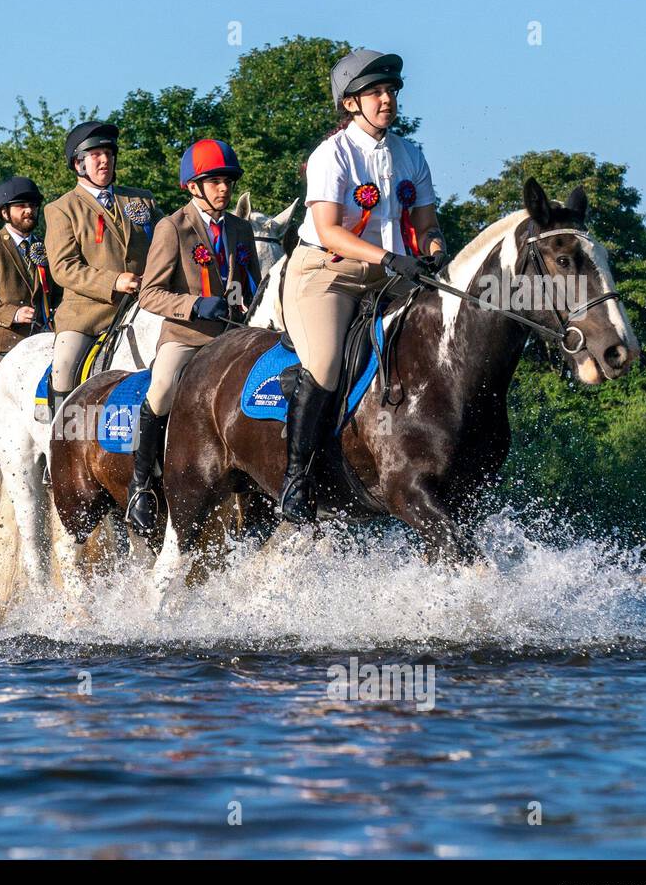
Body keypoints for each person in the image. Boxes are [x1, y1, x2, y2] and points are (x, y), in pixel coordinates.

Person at [278, 49, 449, 523]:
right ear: (350, 103)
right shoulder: (331, 155)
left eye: (391, 90)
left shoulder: (411, 154)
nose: (386, 98)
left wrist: (434, 253)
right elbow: (330, 231)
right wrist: (390, 257)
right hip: (327, 276)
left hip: (391, 277)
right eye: (374, 91)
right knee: (327, 363)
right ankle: (297, 476)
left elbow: (428, 223)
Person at [130, 139, 262, 534]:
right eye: (214, 181)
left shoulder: (241, 229)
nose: (224, 188)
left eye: (227, 181)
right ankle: (142, 486)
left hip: (235, 337)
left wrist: (250, 308)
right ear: (193, 187)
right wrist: (193, 305)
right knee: (162, 389)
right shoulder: (173, 227)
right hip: (187, 336)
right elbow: (149, 293)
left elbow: (252, 282)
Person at [43, 120, 161, 422]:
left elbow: (169, 240)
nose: (105, 160)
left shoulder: (140, 199)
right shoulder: (61, 209)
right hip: (88, 313)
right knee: (64, 367)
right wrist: (114, 281)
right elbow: (64, 268)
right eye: (96, 154)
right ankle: (61, 441)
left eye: (108, 153)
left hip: (144, 306)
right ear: (78, 163)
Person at [0, 176, 60, 482]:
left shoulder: (43, 249)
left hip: (40, 339)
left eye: (32, 205)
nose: (29, 211)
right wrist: (13, 312)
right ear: (5, 212)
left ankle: (53, 455)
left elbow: (55, 293)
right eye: (21, 206)